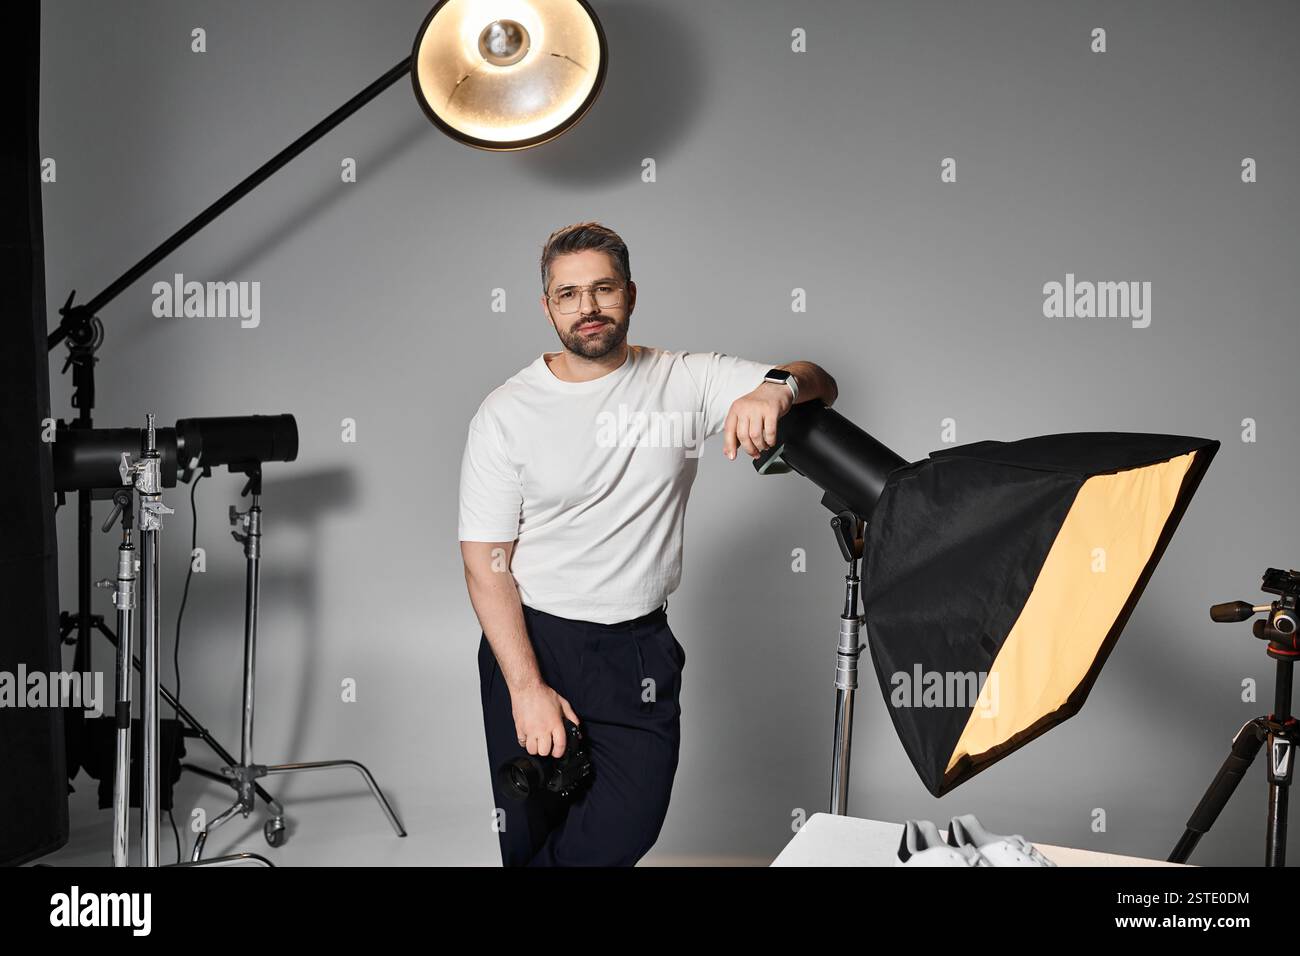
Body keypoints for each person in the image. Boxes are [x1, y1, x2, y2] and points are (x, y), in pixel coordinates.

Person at [458, 221, 838, 865]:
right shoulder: (507, 412)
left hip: (639, 647)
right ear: (547, 306)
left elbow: (818, 377)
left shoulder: (684, 381)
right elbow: (484, 563)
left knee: (625, 825)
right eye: (569, 294)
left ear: (630, 295)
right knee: (532, 828)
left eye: (603, 289)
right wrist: (525, 686)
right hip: (533, 641)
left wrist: (776, 386)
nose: (588, 308)